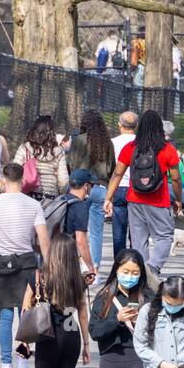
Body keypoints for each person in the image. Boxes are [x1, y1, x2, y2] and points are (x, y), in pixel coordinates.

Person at [0, 161, 49, 368]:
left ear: (4, 178)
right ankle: (23, 360)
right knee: (26, 315)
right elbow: (43, 238)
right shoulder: (33, 205)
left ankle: (5, 365)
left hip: (1, 263)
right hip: (26, 262)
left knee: (5, 317)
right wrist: (48, 265)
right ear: (23, 179)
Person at [24, 231, 91, 368]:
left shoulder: (39, 277)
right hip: (71, 334)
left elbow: (26, 309)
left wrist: (23, 342)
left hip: (47, 335)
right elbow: (82, 312)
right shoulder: (78, 281)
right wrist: (87, 344)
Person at [105, 110, 181, 275]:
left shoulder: (131, 148)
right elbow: (175, 178)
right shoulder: (167, 149)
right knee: (164, 237)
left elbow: (117, 173)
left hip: (135, 199)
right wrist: (179, 200)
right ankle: (152, 268)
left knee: (139, 242)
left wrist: (108, 197)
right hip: (159, 201)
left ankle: (142, 275)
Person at [67, 109, 118, 270]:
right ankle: (94, 268)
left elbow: (71, 164)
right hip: (101, 188)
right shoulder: (107, 143)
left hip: (80, 188)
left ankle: (77, 265)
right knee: (96, 232)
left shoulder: (78, 140)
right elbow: (112, 169)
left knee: (75, 230)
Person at [14, 114, 69, 201]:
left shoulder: (25, 148)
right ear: (51, 132)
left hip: (27, 194)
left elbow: (15, 171)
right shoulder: (58, 152)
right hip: (50, 197)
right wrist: (62, 194)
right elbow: (63, 181)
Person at [60, 168, 100, 285]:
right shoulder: (80, 206)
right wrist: (90, 267)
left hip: (54, 254)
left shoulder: (61, 200)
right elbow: (81, 241)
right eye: (91, 185)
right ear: (86, 186)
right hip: (68, 258)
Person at [109, 110, 138, 253]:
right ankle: (136, 261)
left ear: (119, 125)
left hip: (119, 186)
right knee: (136, 231)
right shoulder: (140, 143)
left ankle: (119, 262)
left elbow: (111, 169)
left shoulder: (113, 143)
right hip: (137, 188)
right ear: (136, 125)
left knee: (118, 230)